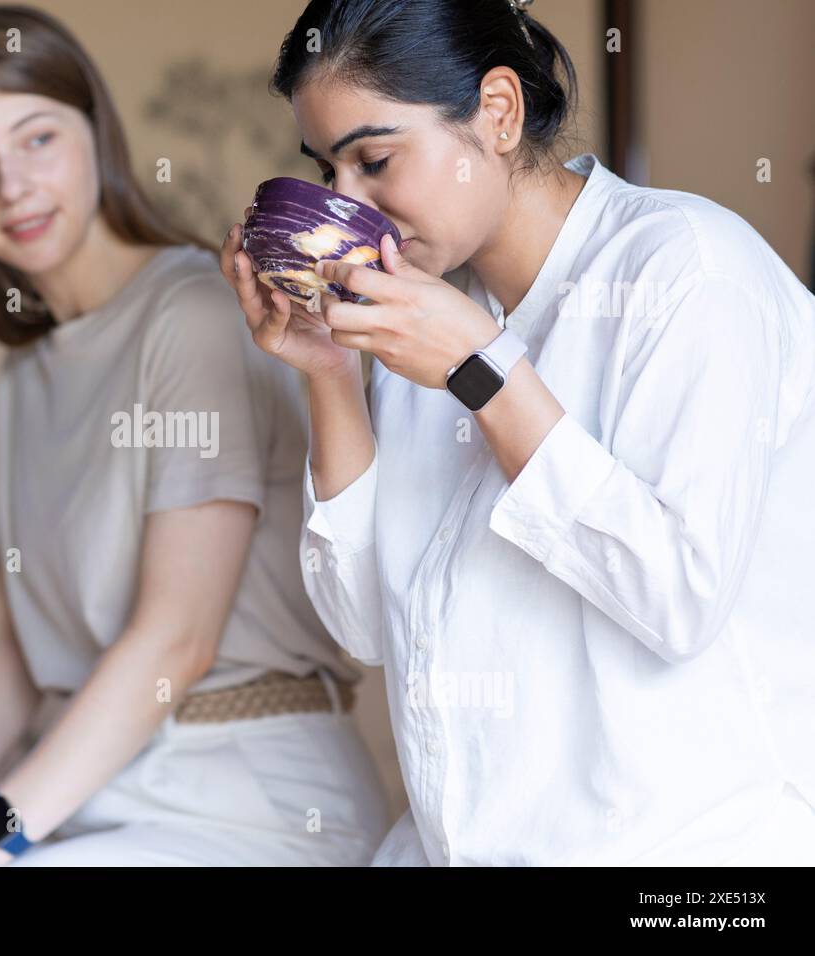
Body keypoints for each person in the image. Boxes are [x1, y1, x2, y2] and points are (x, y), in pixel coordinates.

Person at [221, 0, 815, 865]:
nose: (350, 205)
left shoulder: (690, 270)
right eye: (328, 169)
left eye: (376, 159)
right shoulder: (431, 310)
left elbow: (677, 597)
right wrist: (331, 376)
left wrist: (482, 369)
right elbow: (365, 631)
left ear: (497, 113)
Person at [0, 4, 386, 867]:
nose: (13, 186)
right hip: (111, 797)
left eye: (38, 138)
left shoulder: (190, 314)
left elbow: (176, 639)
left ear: (94, 125)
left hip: (248, 804)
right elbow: (7, 647)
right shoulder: (28, 375)